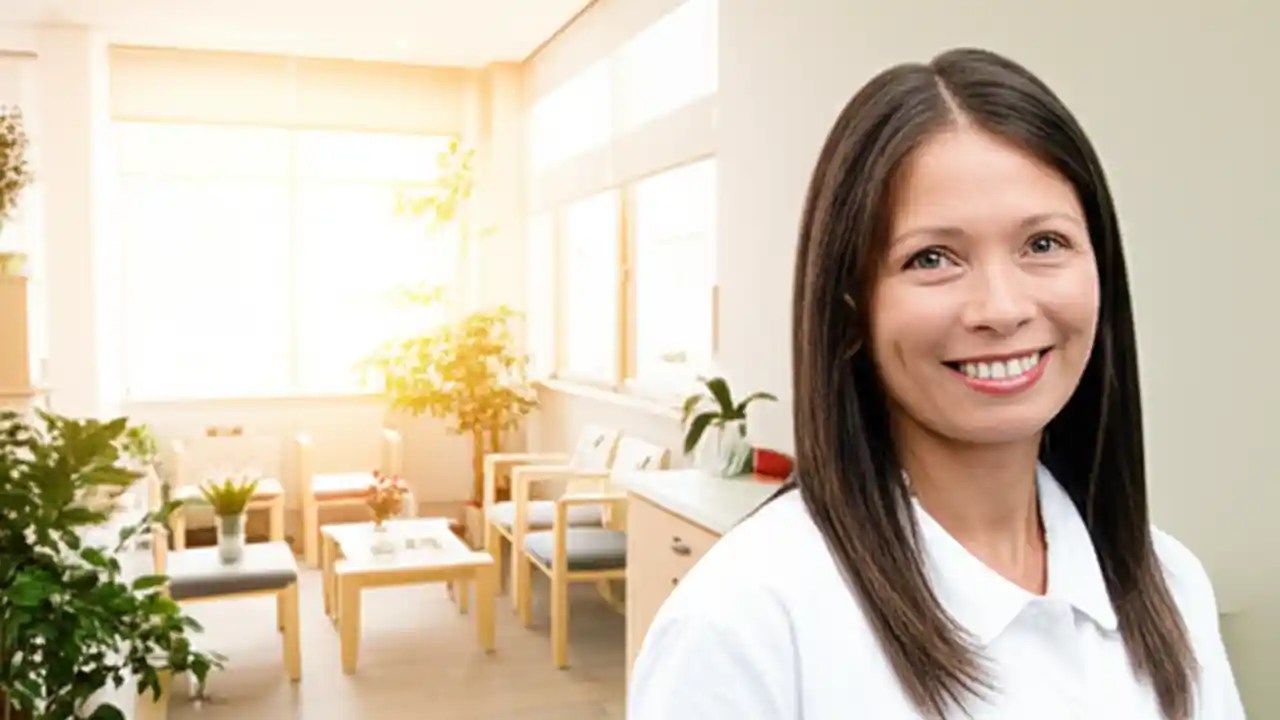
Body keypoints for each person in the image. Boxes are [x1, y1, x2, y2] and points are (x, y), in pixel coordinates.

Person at [627, 47, 1245, 719]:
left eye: (1043, 244)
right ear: (851, 306)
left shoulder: (1169, 584)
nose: (1002, 308)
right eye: (932, 258)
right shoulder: (745, 621)